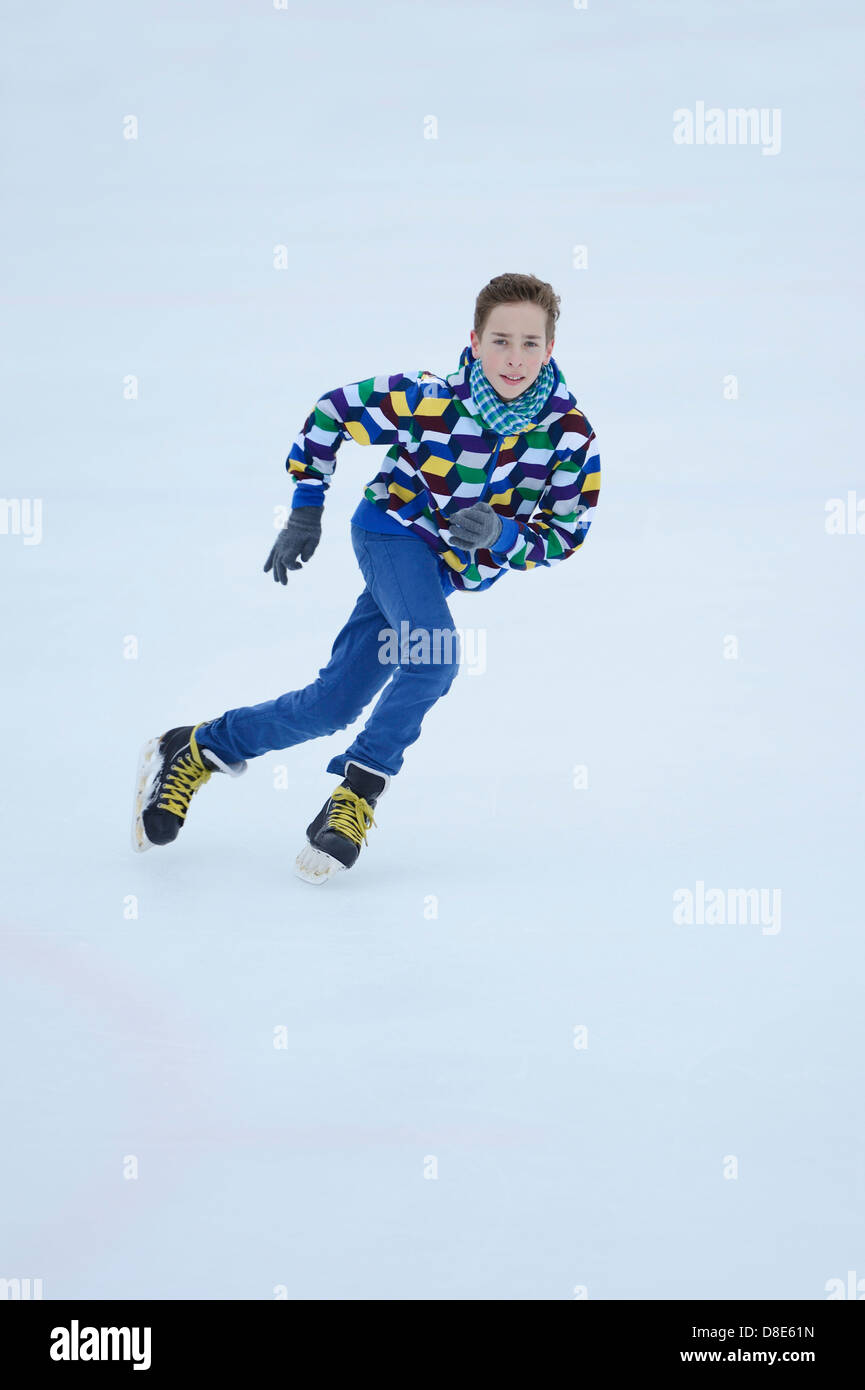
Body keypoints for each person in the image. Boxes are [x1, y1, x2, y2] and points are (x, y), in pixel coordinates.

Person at [132, 272, 601, 882]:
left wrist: (503, 536)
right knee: (433, 657)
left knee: (333, 704)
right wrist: (306, 504)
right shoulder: (428, 397)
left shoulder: (569, 434)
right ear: (475, 340)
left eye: (530, 344)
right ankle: (359, 790)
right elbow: (333, 412)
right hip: (390, 532)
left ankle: (195, 747)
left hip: (443, 570)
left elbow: (566, 533)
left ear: (550, 348)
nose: (514, 358)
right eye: (500, 341)